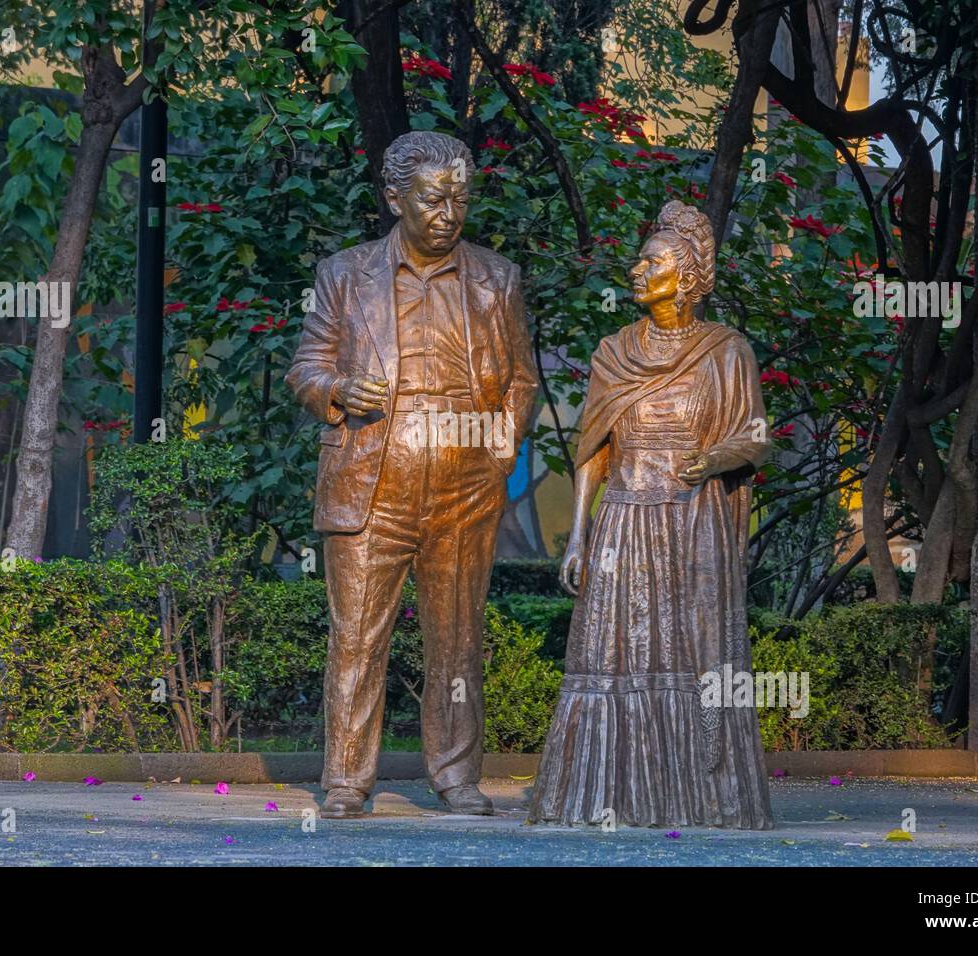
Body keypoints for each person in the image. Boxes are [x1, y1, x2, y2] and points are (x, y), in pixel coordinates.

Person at [286, 131, 538, 819]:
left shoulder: (496, 279)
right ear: (395, 197)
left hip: (464, 486)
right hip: (374, 478)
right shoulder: (344, 274)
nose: (448, 213)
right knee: (358, 639)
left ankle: (456, 776)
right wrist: (337, 387)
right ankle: (346, 778)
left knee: (456, 639)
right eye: (433, 198)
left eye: (459, 199)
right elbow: (304, 366)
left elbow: (521, 383)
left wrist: (498, 456)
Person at [527, 200, 774, 829]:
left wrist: (717, 456)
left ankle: (702, 797)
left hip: (693, 521)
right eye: (640, 260)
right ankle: (605, 793)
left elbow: (756, 436)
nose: (637, 270)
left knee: (694, 654)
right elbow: (592, 451)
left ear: (687, 278)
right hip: (625, 521)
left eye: (652, 261)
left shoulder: (727, 351)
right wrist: (577, 536)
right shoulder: (614, 352)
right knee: (613, 657)